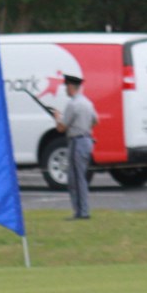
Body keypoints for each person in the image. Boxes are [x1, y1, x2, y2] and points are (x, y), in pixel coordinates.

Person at [52, 71, 98, 220]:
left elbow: (61, 128)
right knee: (80, 177)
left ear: (71, 86)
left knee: (75, 180)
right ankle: (82, 210)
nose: (65, 89)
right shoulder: (87, 102)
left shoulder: (72, 104)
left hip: (77, 142)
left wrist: (57, 118)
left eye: (66, 86)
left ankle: (81, 212)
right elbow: (96, 121)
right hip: (87, 140)